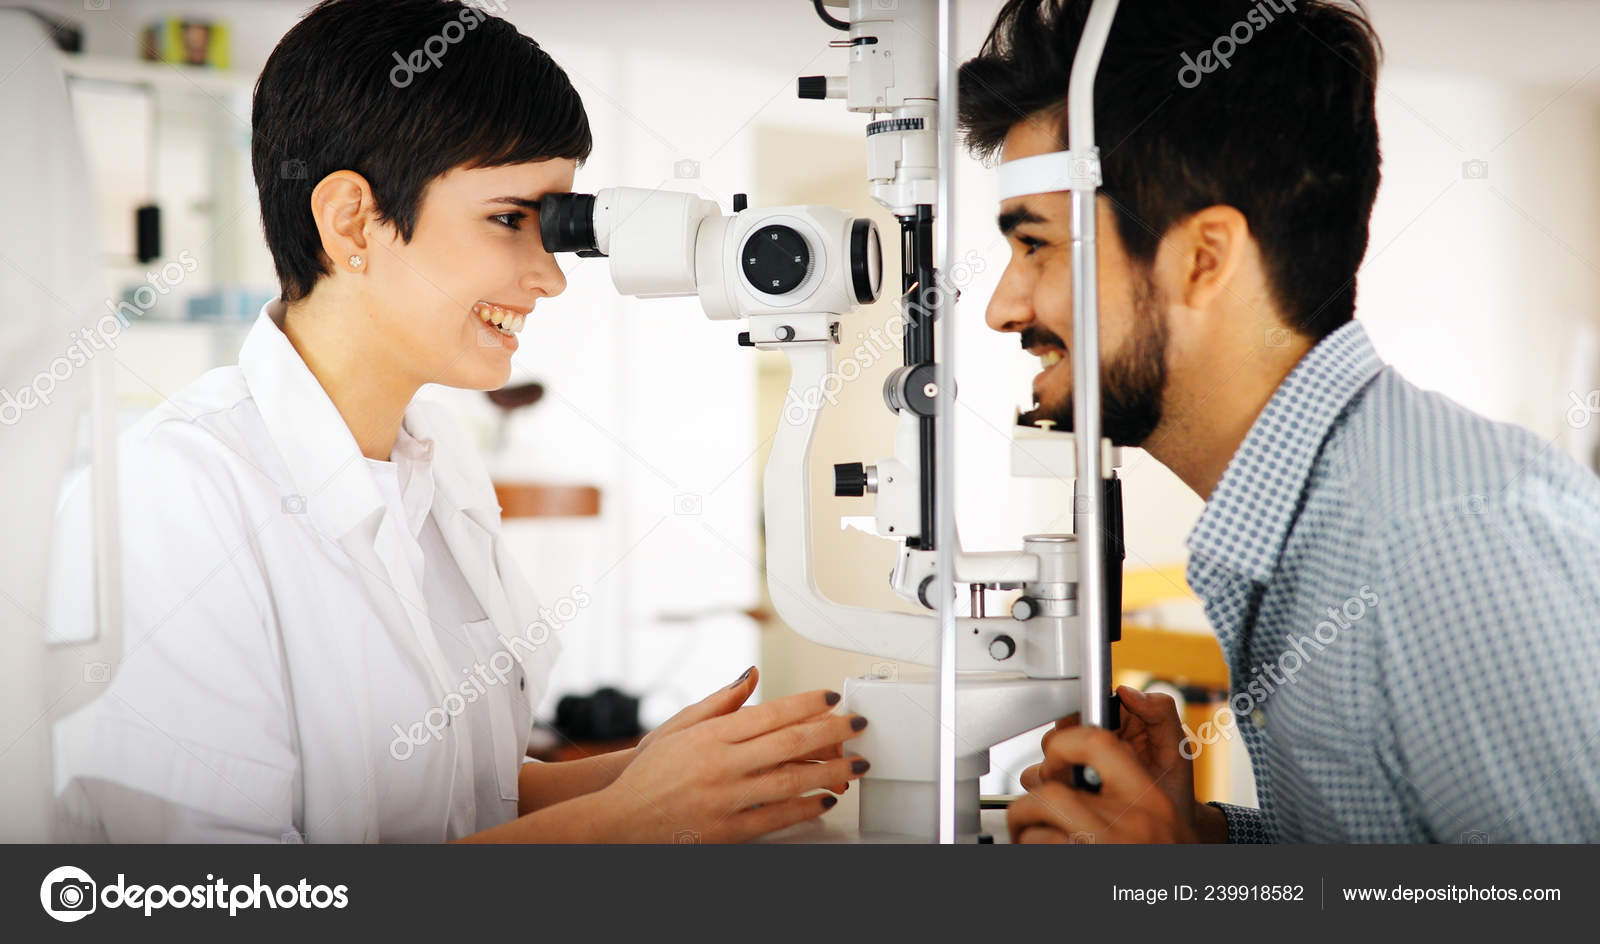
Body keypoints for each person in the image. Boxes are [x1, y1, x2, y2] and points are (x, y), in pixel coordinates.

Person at [51, 0, 868, 843]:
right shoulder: (173, 499)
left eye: (555, 228)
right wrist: (628, 823)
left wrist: (657, 768)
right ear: (352, 220)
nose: (550, 278)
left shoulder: (443, 474)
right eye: (511, 219)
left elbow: (459, 796)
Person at [957, 0, 1600, 842]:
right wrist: (1206, 839)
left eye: (1035, 245)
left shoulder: (1447, 540)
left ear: (1203, 259)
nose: (1001, 308)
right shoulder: (1310, 524)